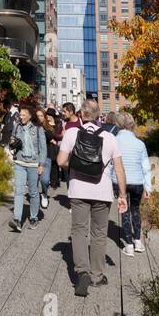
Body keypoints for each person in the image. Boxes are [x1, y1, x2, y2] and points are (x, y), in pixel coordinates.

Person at [56, 99, 127, 298]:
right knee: (99, 233)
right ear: (98, 117)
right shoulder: (110, 137)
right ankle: (97, 275)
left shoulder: (71, 133)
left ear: (81, 114)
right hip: (102, 193)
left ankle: (82, 272)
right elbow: (119, 169)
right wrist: (122, 195)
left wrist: (76, 166)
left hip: (78, 190)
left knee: (79, 231)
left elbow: (60, 161)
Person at [105, 111, 152, 255]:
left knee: (123, 210)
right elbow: (146, 166)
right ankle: (138, 241)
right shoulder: (140, 143)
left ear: (117, 124)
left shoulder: (113, 141)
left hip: (119, 181)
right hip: (138, 182)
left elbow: (109, 164)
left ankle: (129, 245)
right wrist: (148, 186)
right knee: (135, 210)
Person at [7, 106, 47, 232]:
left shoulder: (38, 128)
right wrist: (12, 142)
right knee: (18, 190)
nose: (21, 117)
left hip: (33, 164)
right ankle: (17, 219)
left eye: (24, 115)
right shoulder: (17, 126)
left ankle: (34, 217)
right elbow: (11, 140)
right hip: (20, 162)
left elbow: (43, 147)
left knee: (33, 192)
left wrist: (42, 164)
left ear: (30, 115)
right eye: (20, 115)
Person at [34, 107, 56, 212]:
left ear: (45, 117)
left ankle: (45, 194)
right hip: (34, 157)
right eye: (37, 116)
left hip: (47, 156)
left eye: (41, 116)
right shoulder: (31, 127)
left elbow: (51, 136)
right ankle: (34, 198)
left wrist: (41, 129)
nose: (39, 118)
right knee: (33, 180)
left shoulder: (49, 127)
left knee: (45, 179)